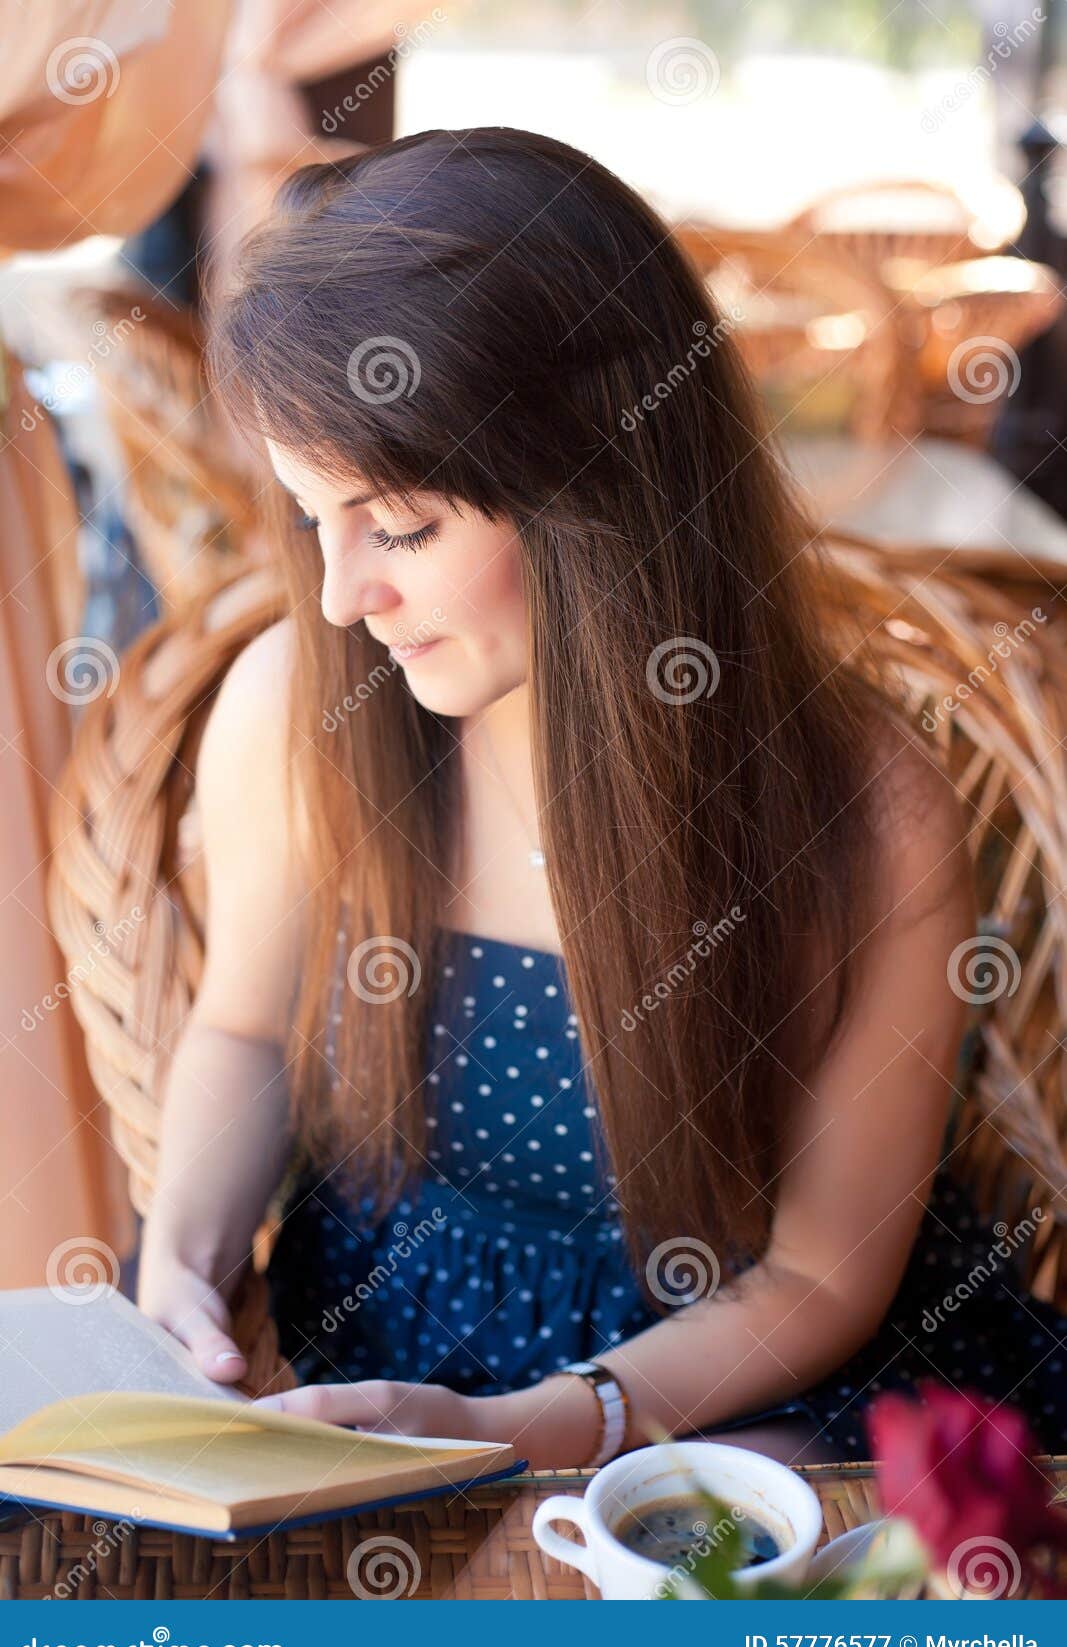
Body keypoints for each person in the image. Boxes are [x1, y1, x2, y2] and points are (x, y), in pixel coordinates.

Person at [137, 127, 1067, 1469]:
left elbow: (815, 1281)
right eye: (309, 516)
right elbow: (242, 1034)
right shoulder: (301, 705)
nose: (344, 596)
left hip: (743, 1400)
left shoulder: (867, 819)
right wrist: (184, 1248)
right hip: (365, 1366)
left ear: (600, 489)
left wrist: (537, 1425)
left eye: (397, 525)